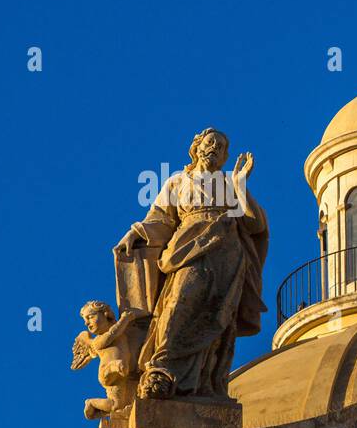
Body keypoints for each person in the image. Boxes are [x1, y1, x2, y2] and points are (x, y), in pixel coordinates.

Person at [113, 128, 268, 399]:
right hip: (188, 246)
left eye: (220, 147)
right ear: (196, 148)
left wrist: (241, 184)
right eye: (210, 143)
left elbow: (255, 225)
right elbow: (160, 218)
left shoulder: (230, 184)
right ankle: (161, 367)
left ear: (224, 157)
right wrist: (136, 232)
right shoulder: (178, 181)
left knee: (217, 316)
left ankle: (205, 382)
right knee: (178, 305)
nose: (214, 149)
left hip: (227, 256)